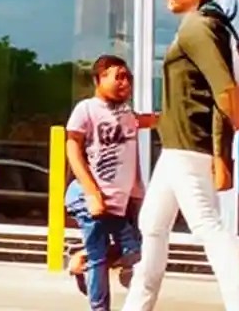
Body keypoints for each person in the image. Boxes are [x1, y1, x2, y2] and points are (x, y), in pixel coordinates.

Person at [121, 0, 239, 311]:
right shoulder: (204, 24)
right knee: (152, 224)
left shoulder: (197, 27)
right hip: (176, 147)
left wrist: (222, 155)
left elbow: (225, 92)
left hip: (189, 149)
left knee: (208, 228)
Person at [64, 55, 156, 311]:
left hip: (121, 200)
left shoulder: (127, 114)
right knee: (99, 258)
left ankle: (80, 259)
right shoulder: (86, 109)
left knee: (135, 250)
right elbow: (72, 149)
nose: (125, 83)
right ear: (99, 79)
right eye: (118, 77)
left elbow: (149, 120)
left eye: (128, 78)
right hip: (91, 197)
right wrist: (92, 193)